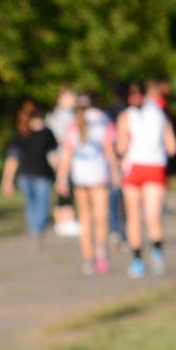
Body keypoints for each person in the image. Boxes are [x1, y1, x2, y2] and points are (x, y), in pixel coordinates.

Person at [116, 78, 176, 278]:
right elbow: (172, 147)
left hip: (134, 167)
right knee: (153, 214)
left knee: (133, 216)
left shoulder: (125, 117)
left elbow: (121, 147)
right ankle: (157, 253)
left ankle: (137, 260)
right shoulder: (160, 114)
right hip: (155, 166)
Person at [55, 92, 120, 274]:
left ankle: (88, 258)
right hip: (99, 175)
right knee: (101, 218)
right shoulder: (103, 120)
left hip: (80, 177)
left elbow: (66, 154)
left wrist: (61, 178)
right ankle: (101, 253)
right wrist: (115, 172)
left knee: (85, 218)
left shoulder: (73, 123)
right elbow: (109, 149)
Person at [0, 99, 58, 249]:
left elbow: (13, 159)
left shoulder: (46, 132)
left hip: (40, 175)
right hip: (29, 175)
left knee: (38, 206)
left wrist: (7, 181)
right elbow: (13, 158)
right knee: (35, 206)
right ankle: (35, 233)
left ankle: (36, 232)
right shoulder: (22, 132)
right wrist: (7, 181)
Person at [45, 88, 80, 236]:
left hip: (73, 158)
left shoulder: (73, 115)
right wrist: (54, 158)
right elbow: (54, 140)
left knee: (68, 188)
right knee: (63, 188)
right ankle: (63, 221)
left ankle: (67, 219)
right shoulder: (56, 117)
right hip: (61, 157)